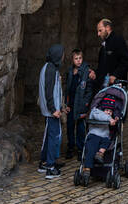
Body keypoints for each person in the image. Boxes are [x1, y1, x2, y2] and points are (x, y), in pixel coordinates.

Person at [78, 81, 128, 179]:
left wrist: (116, 120)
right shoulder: (96, 112)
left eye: (110, 112)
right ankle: (87, 169)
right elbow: (99, 115)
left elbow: (114, 128)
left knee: (107, 142)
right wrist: (109, 119)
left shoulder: (111, 117)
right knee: (90, 150)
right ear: (102, 109)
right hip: (94, 135)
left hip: (104, 137)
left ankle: (100, 154)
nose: (108, 113)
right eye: (107, 111)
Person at [38, 43, 65, 178]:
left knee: (48, 136)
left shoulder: (49, 67)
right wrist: (53, 109)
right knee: (55, 136)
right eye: (62, 54)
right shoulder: (51, 70)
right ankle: (50, 167)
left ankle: (45, 162)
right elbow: (49, 91)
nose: (63, 56)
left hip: (49, 110)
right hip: (51, 111)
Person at [65, 47, 95, 159]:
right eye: (76, 58)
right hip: (71, 103)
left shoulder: (87, 71)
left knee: (81, 128)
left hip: (81, 104)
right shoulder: (69, 71)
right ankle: (70, 147)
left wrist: (86, 103)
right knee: (70, 127)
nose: (78, 60)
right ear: (72, 60)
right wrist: (66, 103)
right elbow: (67, 88)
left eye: (80, 58)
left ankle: (80, 148)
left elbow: (89, 90)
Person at [95, 18, 128, 88]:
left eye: (100, 30)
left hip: (116, 85)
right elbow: (102, 66)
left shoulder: (118, 40)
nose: (98, 34)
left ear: (107, 28)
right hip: (105, 86)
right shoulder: (104, 45)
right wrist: (94, 73)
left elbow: (126, 61)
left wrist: (115, 75)